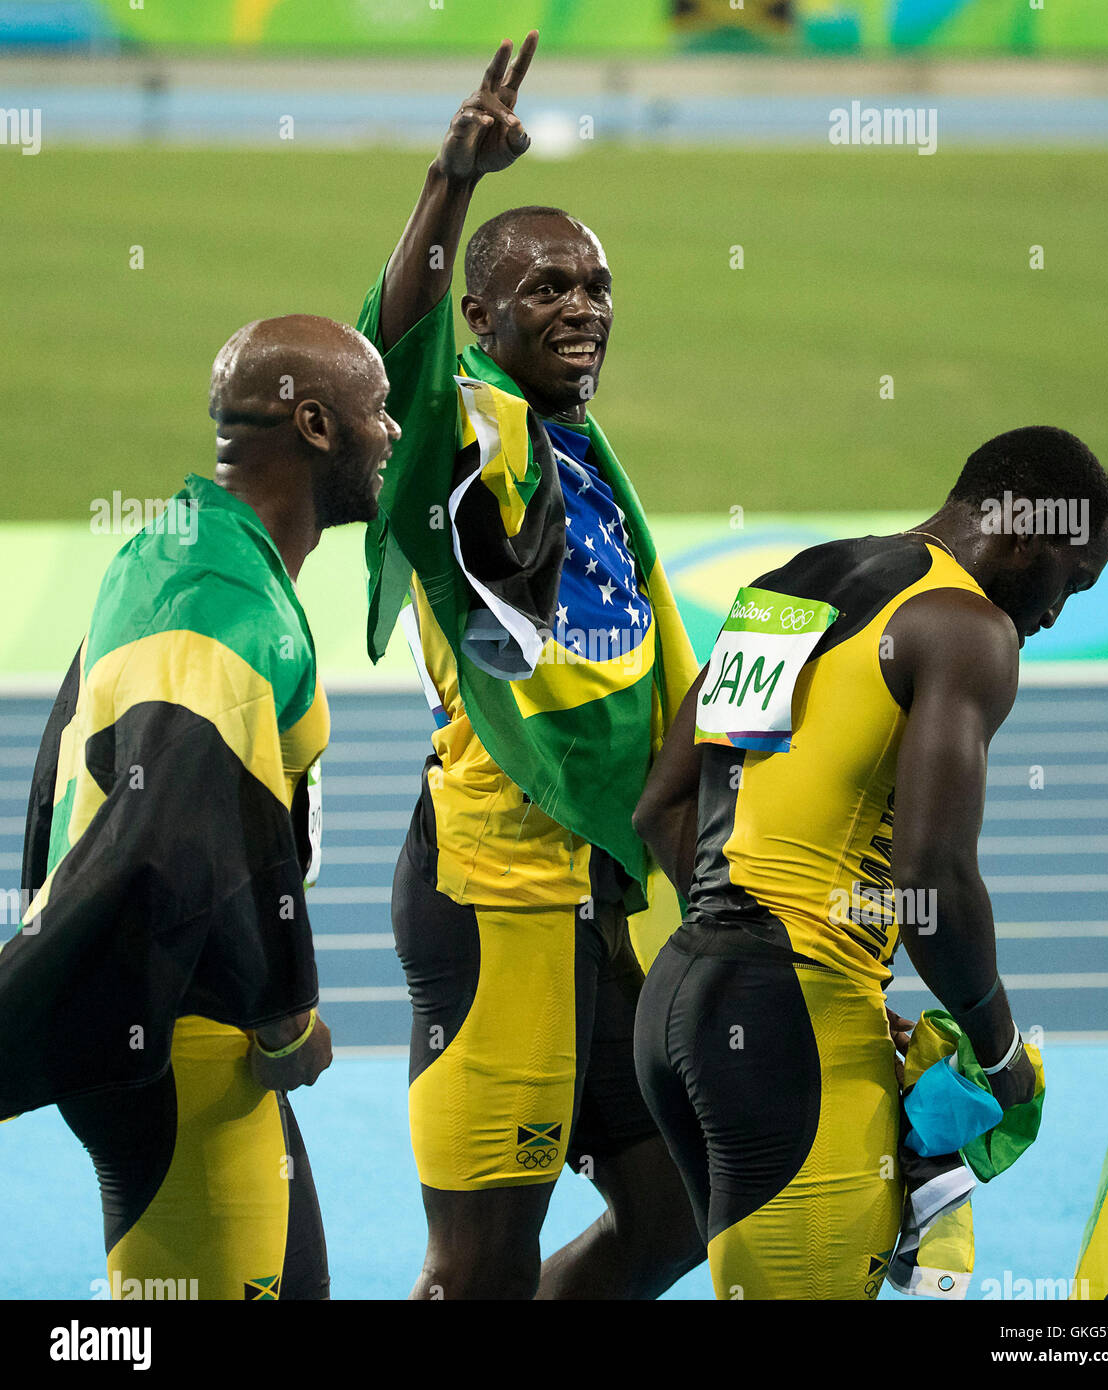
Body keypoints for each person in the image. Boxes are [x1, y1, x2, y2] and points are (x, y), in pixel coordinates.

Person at [355, 32, 703, 1298]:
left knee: (678, 1208)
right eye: (547, 287)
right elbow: (393, 358)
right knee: (477, 1265)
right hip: (496, 888)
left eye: (597, 286)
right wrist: (453, 185)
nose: (581, 306)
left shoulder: (586, 450)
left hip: (607, 891)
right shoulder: (474, 425)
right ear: (484, 317)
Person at [632, 425, 1108, 1300]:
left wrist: (770, 949)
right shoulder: (967, 628)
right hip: (786, 1022)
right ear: (1024, 529)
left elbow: (663, 807)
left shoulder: (790, 589)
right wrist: (999, 1051)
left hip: (680, 1003)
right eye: (1070, 581)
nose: (1054, 615)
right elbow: (933, 874)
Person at [0, 315, 399, 1301]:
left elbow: (70, 756)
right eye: (377, 410)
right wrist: (282, 1014)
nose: (393, 432)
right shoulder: (225, 600)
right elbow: (184, 827)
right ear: (315, 426)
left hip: (160, 1022)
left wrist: (452, 188)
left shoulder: (174, 547)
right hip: (183, 1034)